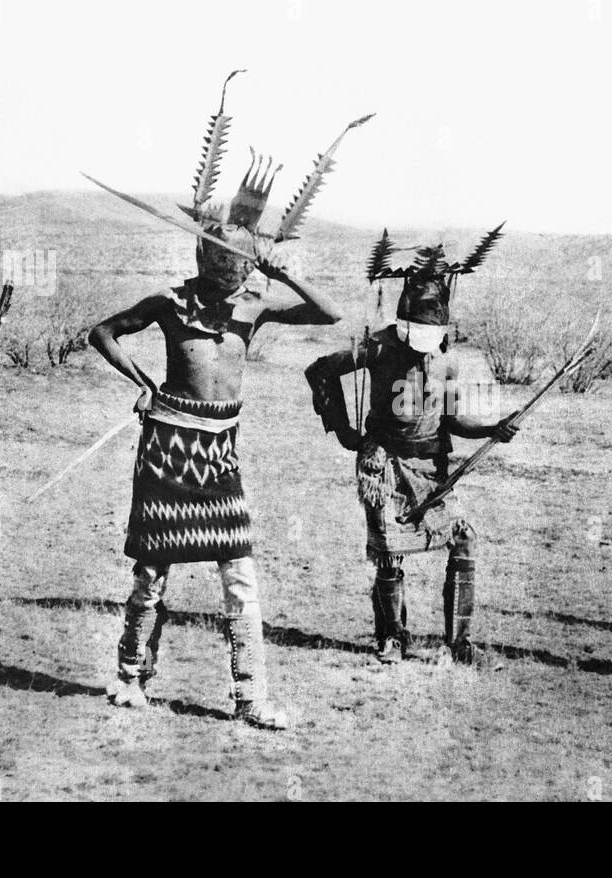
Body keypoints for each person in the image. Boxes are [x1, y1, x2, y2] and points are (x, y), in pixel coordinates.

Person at [87, 78, 362, 729]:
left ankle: (250, 695)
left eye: (239, 268)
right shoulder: (171, 303)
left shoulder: (253, 306)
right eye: (224, 264)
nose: (230, 277)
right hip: (166, 443)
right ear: (205, 259)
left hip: (219, 452)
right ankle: (131, 676)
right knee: (152, 569)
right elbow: (101, 332)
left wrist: (278, 267)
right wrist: (141, 381)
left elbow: (330, 310)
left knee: (238, 573)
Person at [305, 227, 517, 665]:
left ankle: (458, 644)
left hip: (432, 469)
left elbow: (453, 418)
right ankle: (391, 638)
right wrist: (345, 432)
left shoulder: (448, 358)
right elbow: (321, 371)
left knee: (463, 541)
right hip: (383, 466)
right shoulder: (379, 346)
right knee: (389, 554)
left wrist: (492, 428)